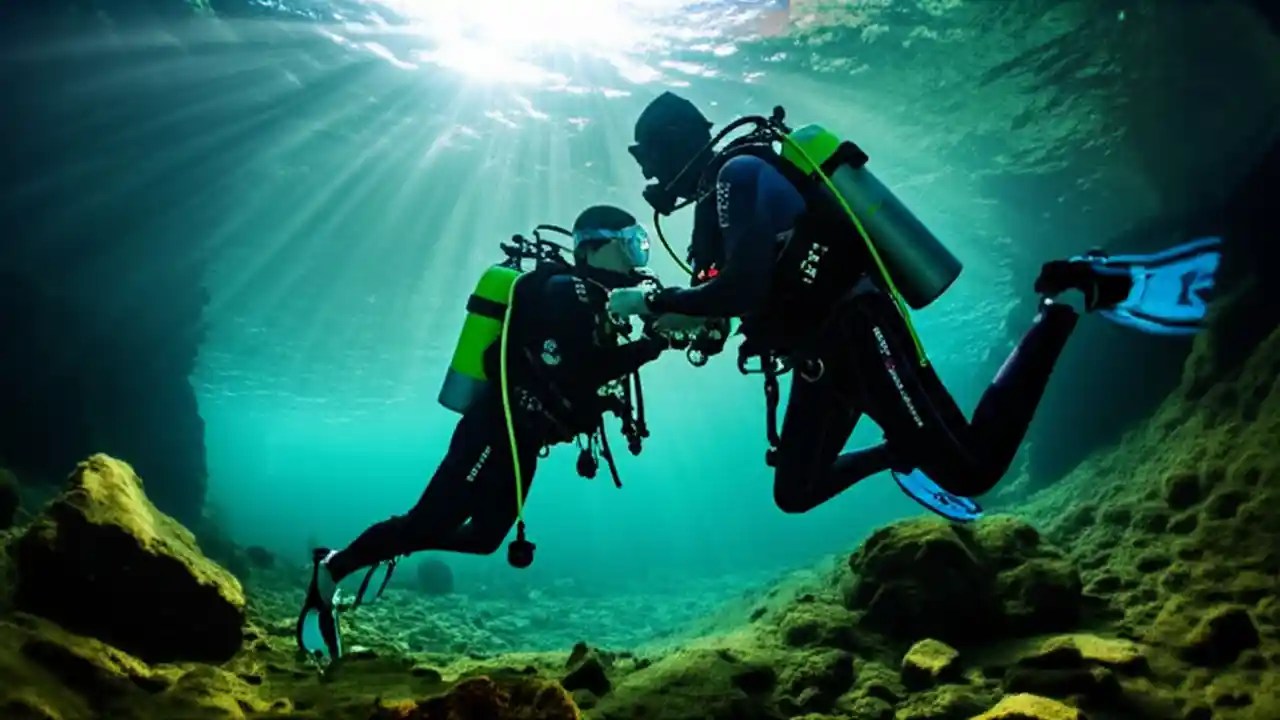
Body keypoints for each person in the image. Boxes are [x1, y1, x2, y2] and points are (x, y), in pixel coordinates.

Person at [608, 91, 1223, 520]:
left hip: (857, 329)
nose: (647, 172)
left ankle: (1071, 294)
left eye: (646, 155)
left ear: (672, 142)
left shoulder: (737, 175)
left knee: (975, 467)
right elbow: (728, 304)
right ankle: (899, 450)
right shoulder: (714, 208)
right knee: (796, 490)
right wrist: (666, 318)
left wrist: (655, 297)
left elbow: (740, 290)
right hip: (818, 358)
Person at [297, 205, 669, 666]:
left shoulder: (594, 302)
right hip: (494, 430)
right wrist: (654, 346)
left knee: (486, 538)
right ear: (594, 245)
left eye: (641, 246)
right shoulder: (564, 292)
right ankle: (333, 569)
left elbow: (578, 385)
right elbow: (574, 372)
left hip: (523, 439)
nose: (637, 258)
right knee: (425, 523)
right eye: (630, 244)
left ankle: (389, 544)